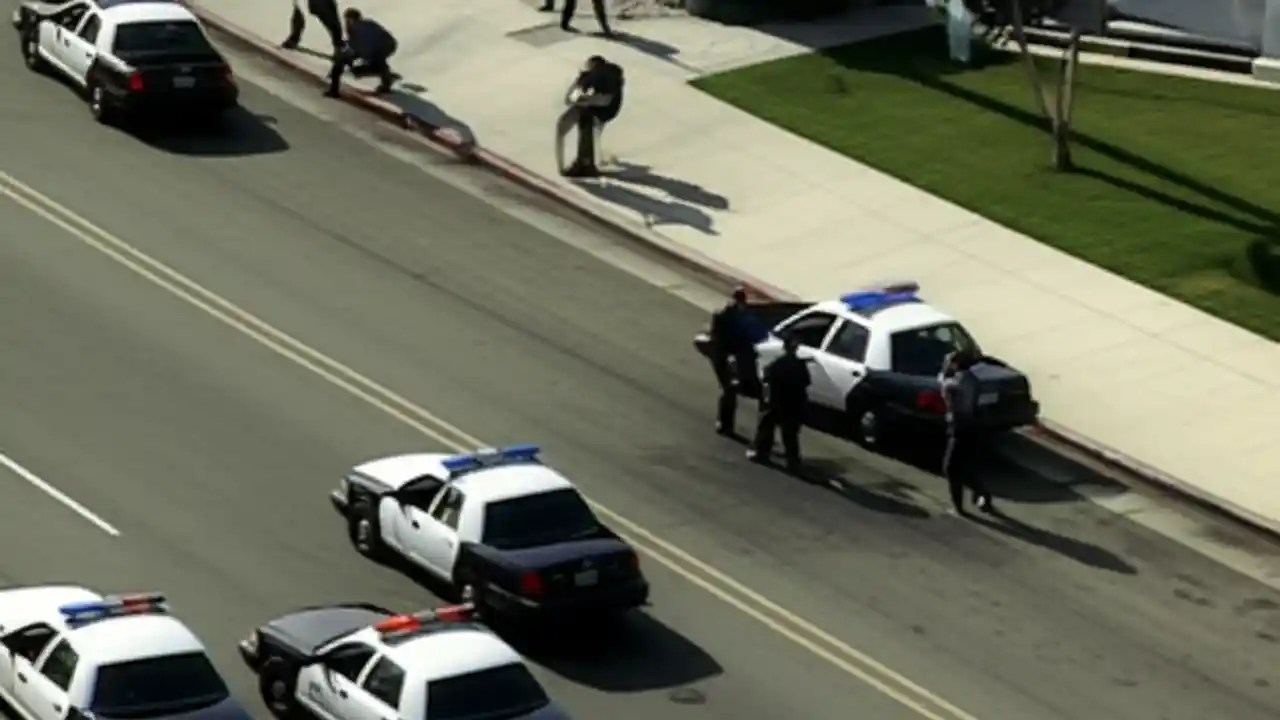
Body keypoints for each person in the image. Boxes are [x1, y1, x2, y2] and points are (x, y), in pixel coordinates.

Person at [939, 349, 995, 514]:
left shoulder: (959, 381)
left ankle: (961, 505)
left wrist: (944, 374)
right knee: (963, 467)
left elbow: (945, 388)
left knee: (950, 467)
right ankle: (981, 494)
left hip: (961, 427)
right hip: (966, 426)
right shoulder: (969, 379)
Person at [747, 336, 811, 474]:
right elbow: (807, 382)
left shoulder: (778, 364)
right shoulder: (800, 365)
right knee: (790, 435)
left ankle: (761, 452)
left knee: (766, 426)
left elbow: (766, 376)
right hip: (795, 404)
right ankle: (793, 463)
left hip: (777, 402)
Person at [555, 56, 623, 177]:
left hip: (605, 109)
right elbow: (569, 99)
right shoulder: (594, 76)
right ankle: (584, 162)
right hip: (599, 107)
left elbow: (605, 100)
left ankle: (585, 163)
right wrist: (577, 85)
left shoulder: (607, 77)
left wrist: (585, 99)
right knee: (581, 119)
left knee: (586, 122)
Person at [708, 287, 759, 437]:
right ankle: (724, 423)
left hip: (725, 356)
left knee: (730, 389)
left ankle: (725, 423)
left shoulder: (725, 314)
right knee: (729, 389)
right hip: (726, 357)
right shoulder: (730, 316)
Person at [325, 8, 400, 98]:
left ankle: (334, 90)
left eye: (347, 20)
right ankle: (386, 81)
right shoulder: (368, 23)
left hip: (371, 48)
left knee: (340, 61)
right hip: (388, 45)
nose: (346, 23)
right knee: (379, 62)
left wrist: (349, 58)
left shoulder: (354, 28)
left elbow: (359, 45)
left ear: (351, 19)